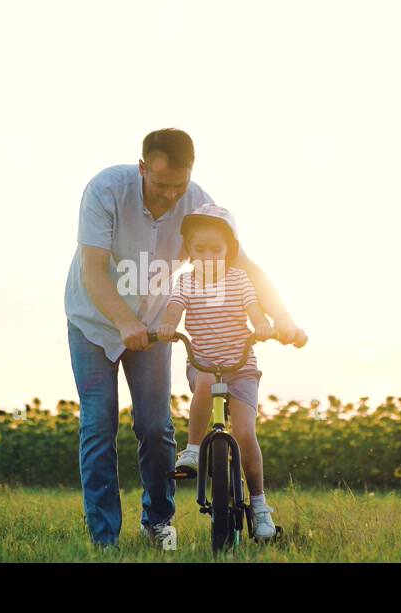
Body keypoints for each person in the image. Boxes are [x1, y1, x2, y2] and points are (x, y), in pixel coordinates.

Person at [64, 128, 306, 548]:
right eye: (160, 186)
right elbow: (92, 270)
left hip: (155, 323)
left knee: (156, 427)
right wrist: (124, 322)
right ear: (142, 169)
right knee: (99, 423)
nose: (170, 196)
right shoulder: (105, 190)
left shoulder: (196, 204)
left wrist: (281, 316)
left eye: (179, 186)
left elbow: (244, 267)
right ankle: (104, 537)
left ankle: (158, 521)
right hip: (94, 322)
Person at [155, 204, 287, 540]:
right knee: (203, 384)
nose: (209, 256)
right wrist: (168, 325)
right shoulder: (185, 282)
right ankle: (195, 450)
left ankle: (259, 506)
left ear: (230, 251)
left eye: (217, 249)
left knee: (244, 433)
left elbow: (253, 308)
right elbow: (173, 309)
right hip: (204, 364)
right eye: (200, 250)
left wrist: (261, 324)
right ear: (190, 252)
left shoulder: (239, 279)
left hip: (241, 367)